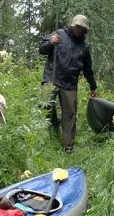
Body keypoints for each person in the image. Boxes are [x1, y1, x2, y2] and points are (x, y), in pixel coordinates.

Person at [39, 14, 98, 153]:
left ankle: (68, 145)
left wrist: (93, 86)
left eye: (82, 28)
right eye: (78, 27)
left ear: (85, 31)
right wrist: (50, 42)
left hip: (70, 84)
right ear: (73, 25)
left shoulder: (84, 48)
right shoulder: (59, 34)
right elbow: (41, 49)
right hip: (51, 78)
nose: (79, 30)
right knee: (45, 106)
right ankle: (50, 133)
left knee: (70, 115)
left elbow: (88, 70)